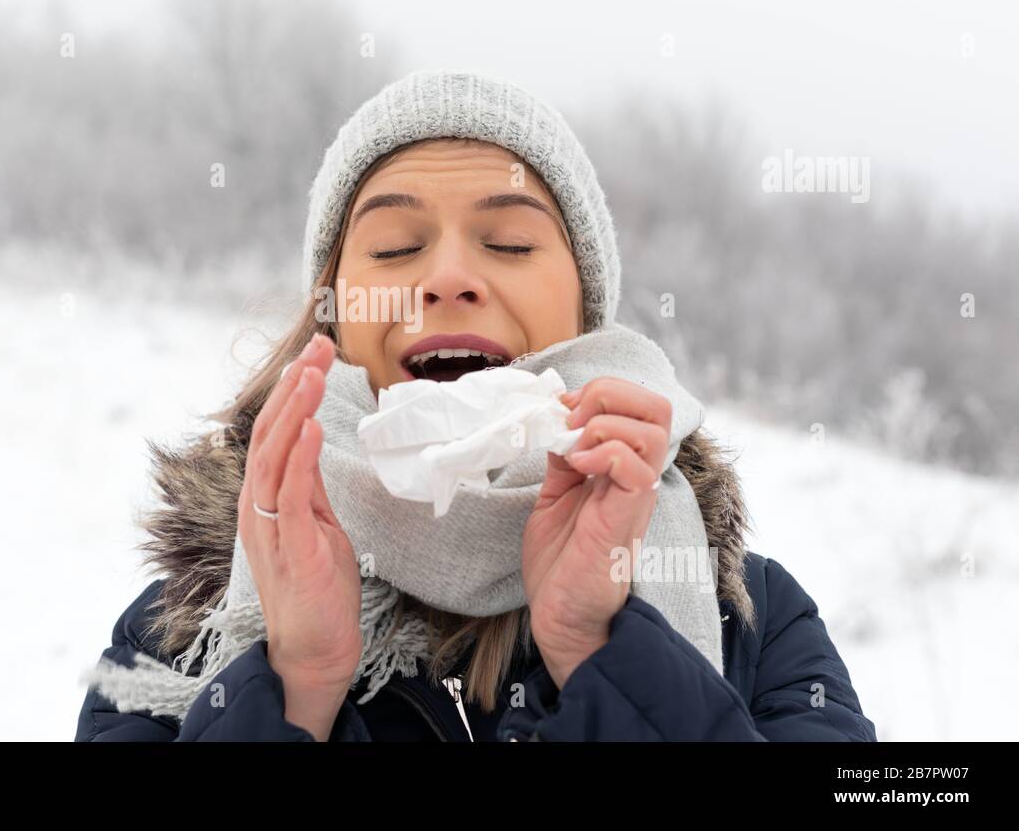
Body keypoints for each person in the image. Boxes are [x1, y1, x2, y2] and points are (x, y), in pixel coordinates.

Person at [74, 69, 877, 742]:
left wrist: (605, 653)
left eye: (511, 245)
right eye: (394, 249)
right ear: (337, 312)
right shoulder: (173, 634)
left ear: (584, 313)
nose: (449, 276)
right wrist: (291, 684)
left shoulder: (754, 619)